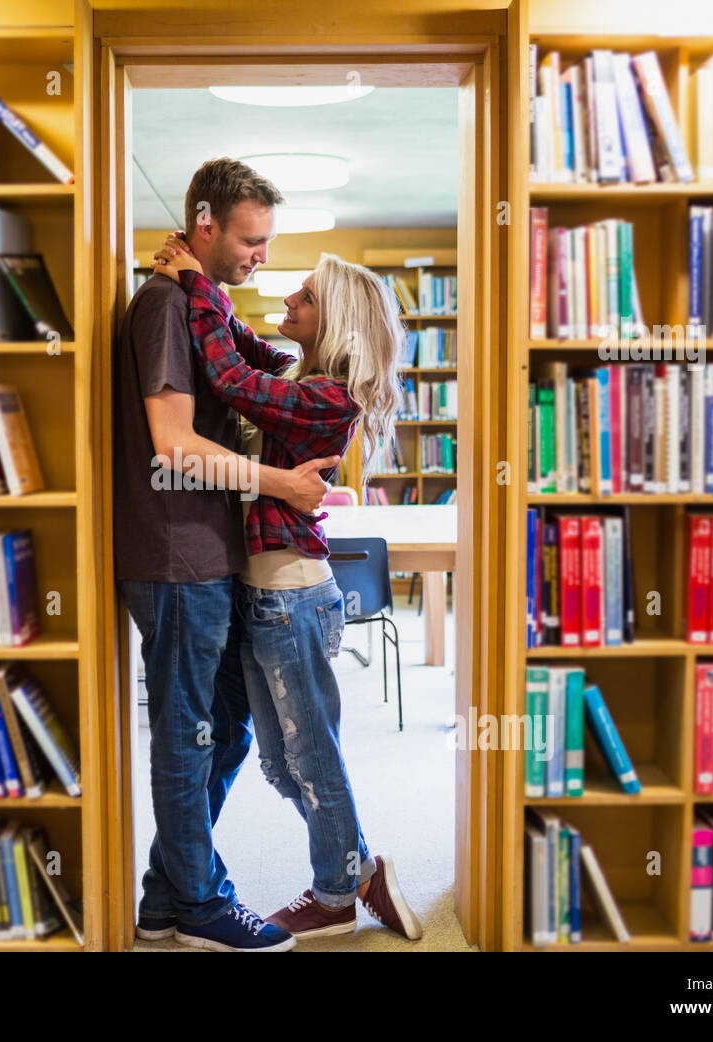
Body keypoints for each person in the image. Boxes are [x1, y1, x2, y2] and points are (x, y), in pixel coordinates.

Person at [152, 231, 426, 941]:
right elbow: (242, 346)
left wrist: (194, 285)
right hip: (267, 594)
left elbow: (230, 378)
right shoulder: (301, 376)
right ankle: (357, 869)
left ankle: (338, 894)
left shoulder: (325, 398)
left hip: (292, 599)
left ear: (331, 318)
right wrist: (204, 290)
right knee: (279, 761)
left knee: (309, 756)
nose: (287, 297)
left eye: (303, 296)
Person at [113, 158, 338, 952]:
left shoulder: (192, 304)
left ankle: (168, 895)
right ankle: (198, 905)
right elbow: (174, 447)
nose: (261, 257)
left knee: (225, 728)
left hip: (207, 550)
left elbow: (251, 369)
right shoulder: (163, 306)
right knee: (190, 732)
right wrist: (281, 478)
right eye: (251, 239)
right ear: (204, 224)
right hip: (176, 552)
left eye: (268, 242)